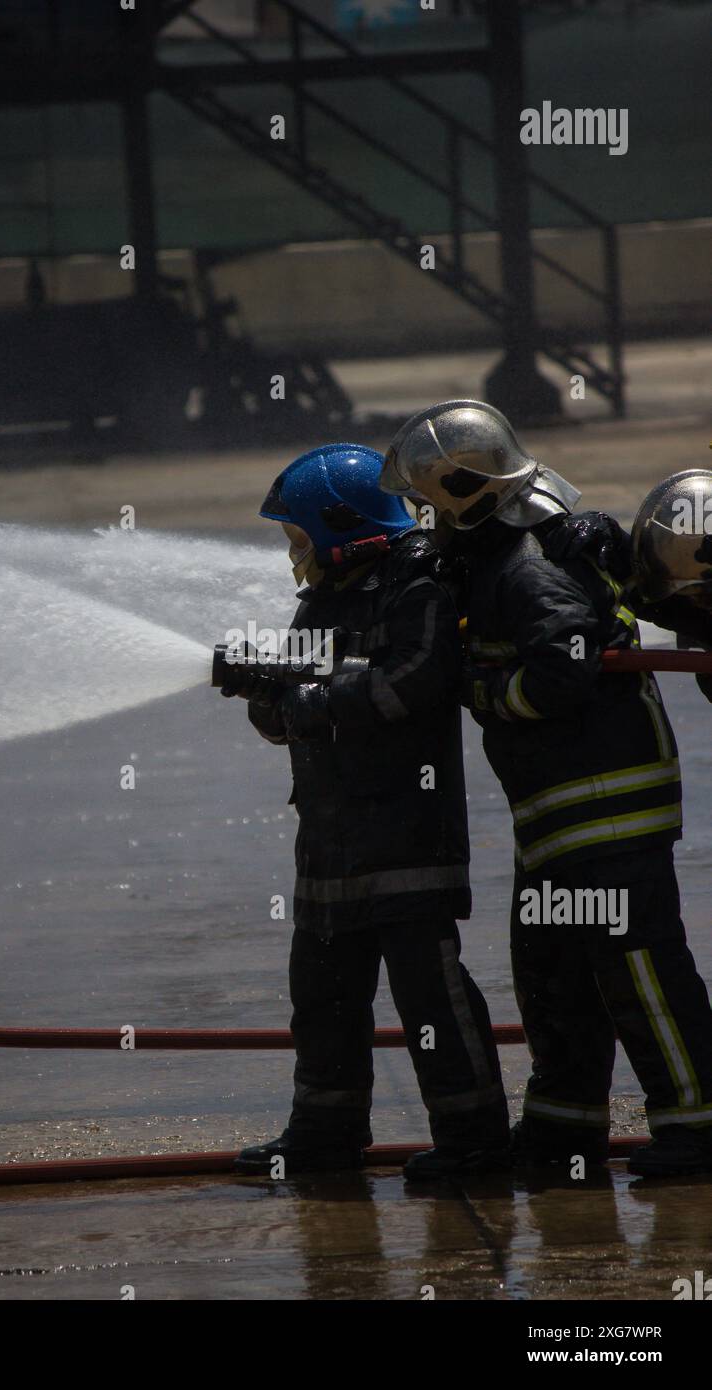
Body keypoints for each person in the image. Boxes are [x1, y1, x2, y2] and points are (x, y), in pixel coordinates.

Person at [381, 403, 712, 1177]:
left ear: (467, 495)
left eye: (429, 507)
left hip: (606, 808)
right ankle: (563, 1134)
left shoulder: (524, 565)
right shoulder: (504, 551)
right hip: (560, 817)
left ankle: (699, 1128)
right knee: (553, 974)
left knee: (639, 970)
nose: (423, 524)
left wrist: (487, 693)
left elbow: (565, 665)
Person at [224, 442, 509, 1179]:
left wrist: (310, 699)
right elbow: (282, 718)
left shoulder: (417, 586)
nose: (295, 555)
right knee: (322, 999)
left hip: (407, 837)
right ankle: (323, 1136)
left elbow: (415, 680)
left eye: (299, 537)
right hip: (328, 843)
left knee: (431, 1001)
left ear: (339, 527)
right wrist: (259, 686)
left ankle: (473, 1142)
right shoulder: (318, 603)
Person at [544, 469, 712, 704]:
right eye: (695, 597)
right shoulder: (700, 617)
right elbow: (661, 604)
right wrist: (617, 547)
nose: (697, 603)